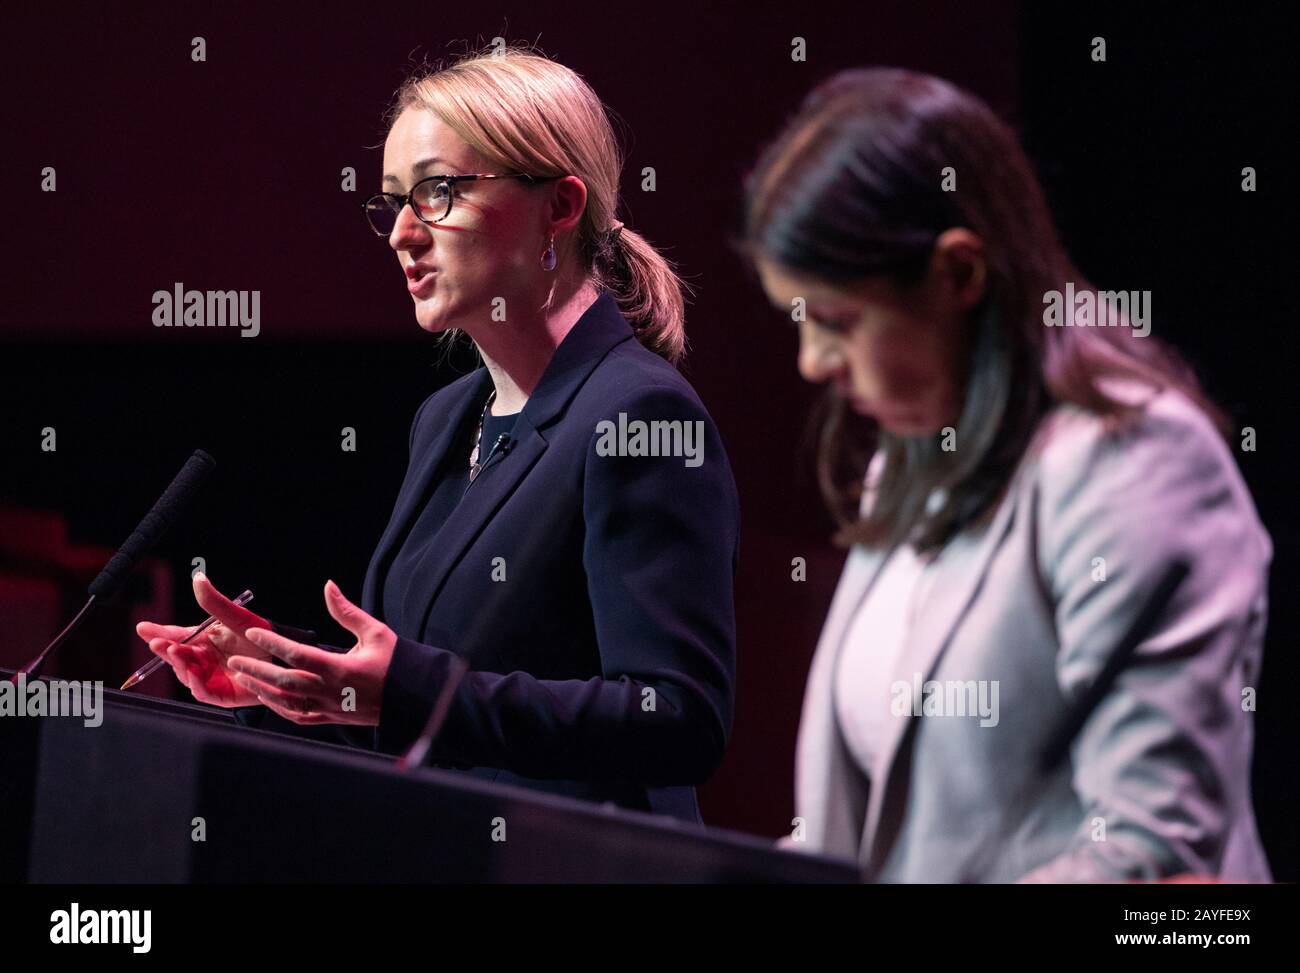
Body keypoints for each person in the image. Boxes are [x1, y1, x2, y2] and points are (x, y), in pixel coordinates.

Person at [137, 47, 739, 825]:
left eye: (438, 192)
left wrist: (411, 689)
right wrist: (288, 678)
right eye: (393, 200)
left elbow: (680, 719)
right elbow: (426, 705)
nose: (399, 233)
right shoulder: (448, 416)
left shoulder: (641, 416)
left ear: (559, 206)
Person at [742, 68, 1271, 880]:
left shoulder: (1135, 461)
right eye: (800, 323)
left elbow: (1152, 857)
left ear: (959, 274)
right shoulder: (913, 458)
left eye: (839, 322)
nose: (813, 363)